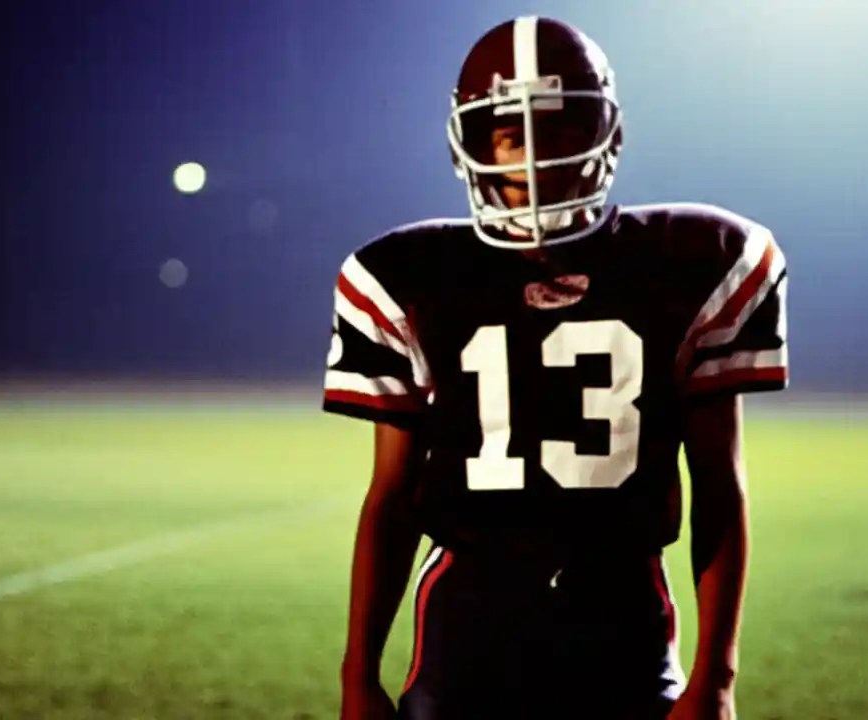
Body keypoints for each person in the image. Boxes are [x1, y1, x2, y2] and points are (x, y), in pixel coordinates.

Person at [324, 15, 788, 720]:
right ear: (474, 146)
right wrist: (359, 677)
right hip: (466, 619)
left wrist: (716, 677)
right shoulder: (410, 277)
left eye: (561, 129)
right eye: (512, 135)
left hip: (622, 613)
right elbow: (392, 496)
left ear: (606, 135)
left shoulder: (690, 263)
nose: (536, 159)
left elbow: (718, 486)